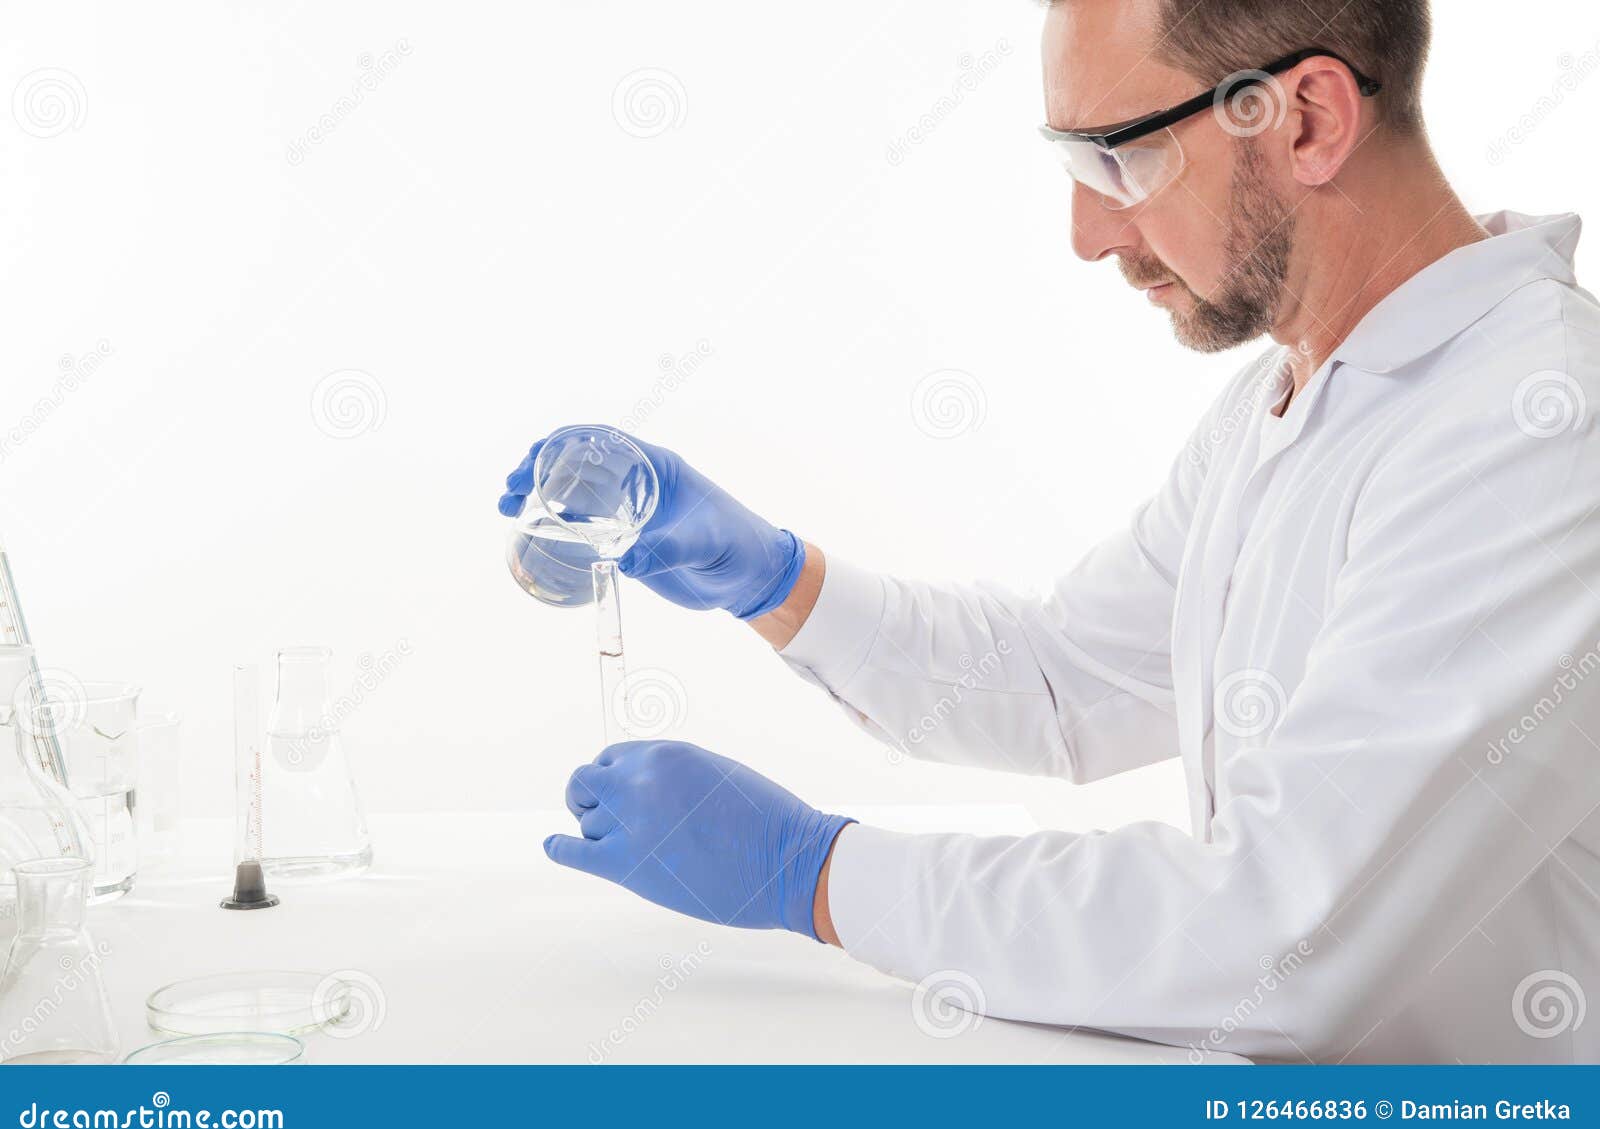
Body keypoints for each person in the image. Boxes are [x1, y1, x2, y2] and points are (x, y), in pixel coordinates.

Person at [500, 0, 1600, 1063]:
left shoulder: (1535, 424)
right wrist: (772, 580)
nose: (1085, 234)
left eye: (1115, 158)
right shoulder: (1302, 396)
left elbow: (1283, 937)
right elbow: (1068, 680)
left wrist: (818, 876)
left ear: (1305, 118)